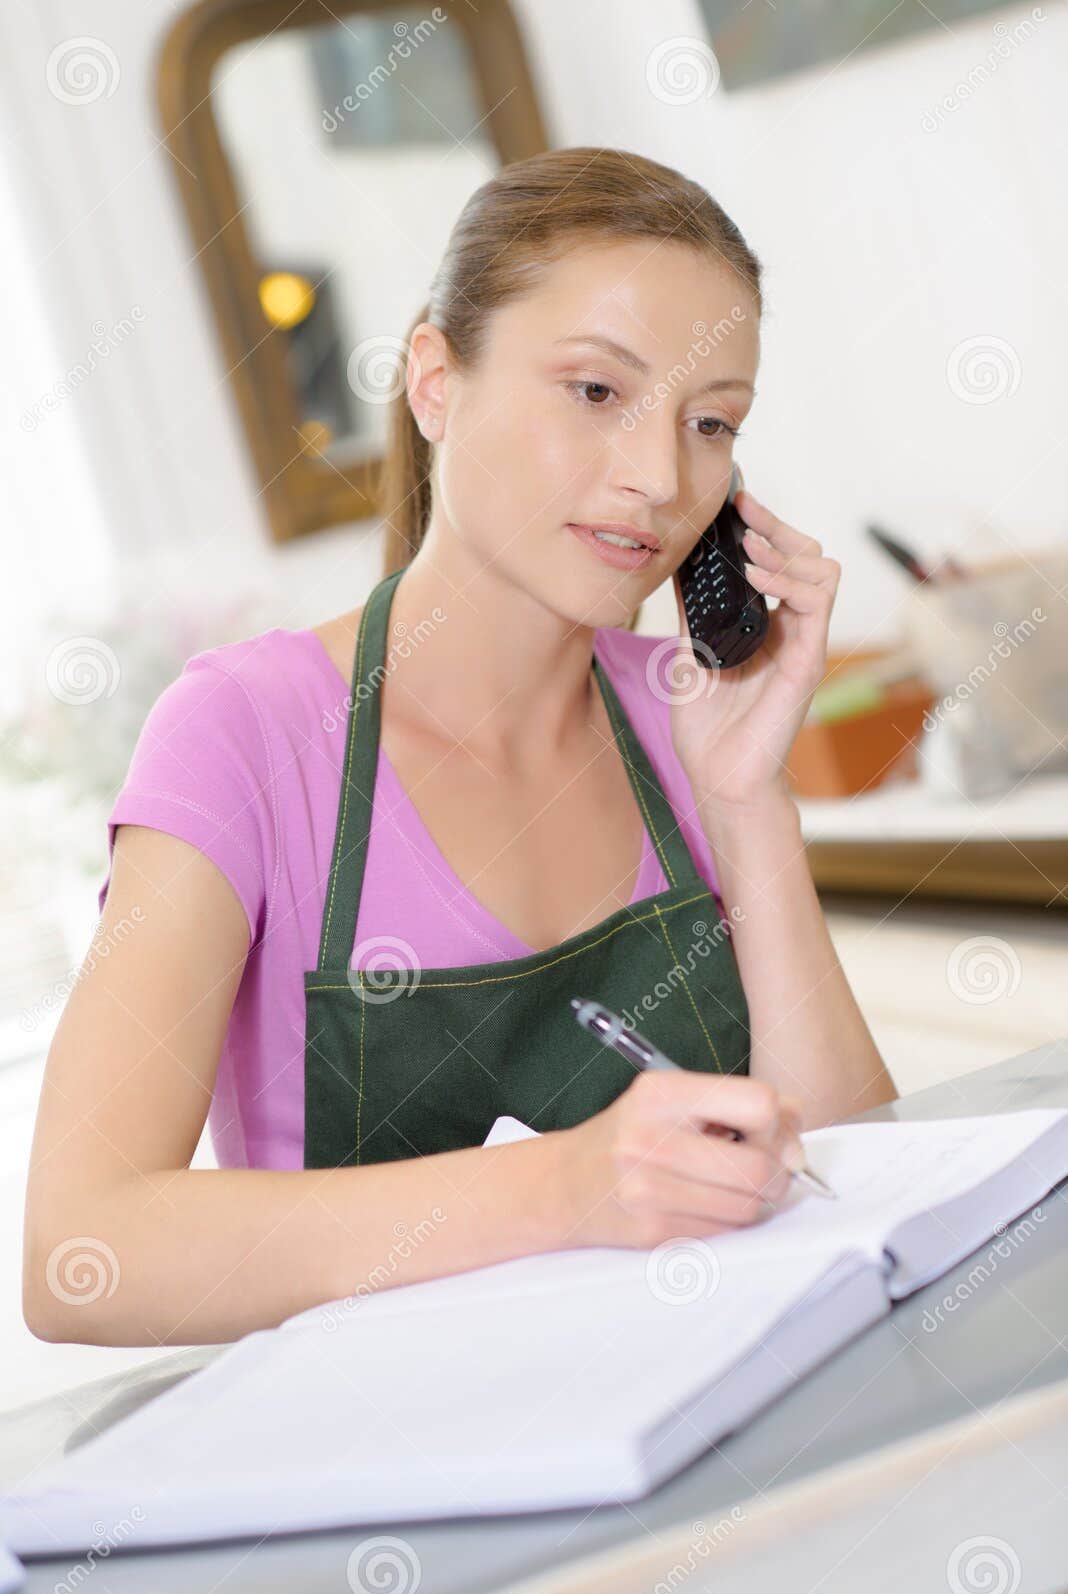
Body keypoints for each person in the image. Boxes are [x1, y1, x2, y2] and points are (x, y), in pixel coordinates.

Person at [23, 147, 896, 1347]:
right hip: (388, 1487)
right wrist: (569, 1189)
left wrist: (749, 805)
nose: (656, 477)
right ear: (436, 382)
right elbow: (84, 1253)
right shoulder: (245, 735)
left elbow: (861, 1177)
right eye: (596, 392)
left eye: (710, 424)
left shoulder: (691, 719)